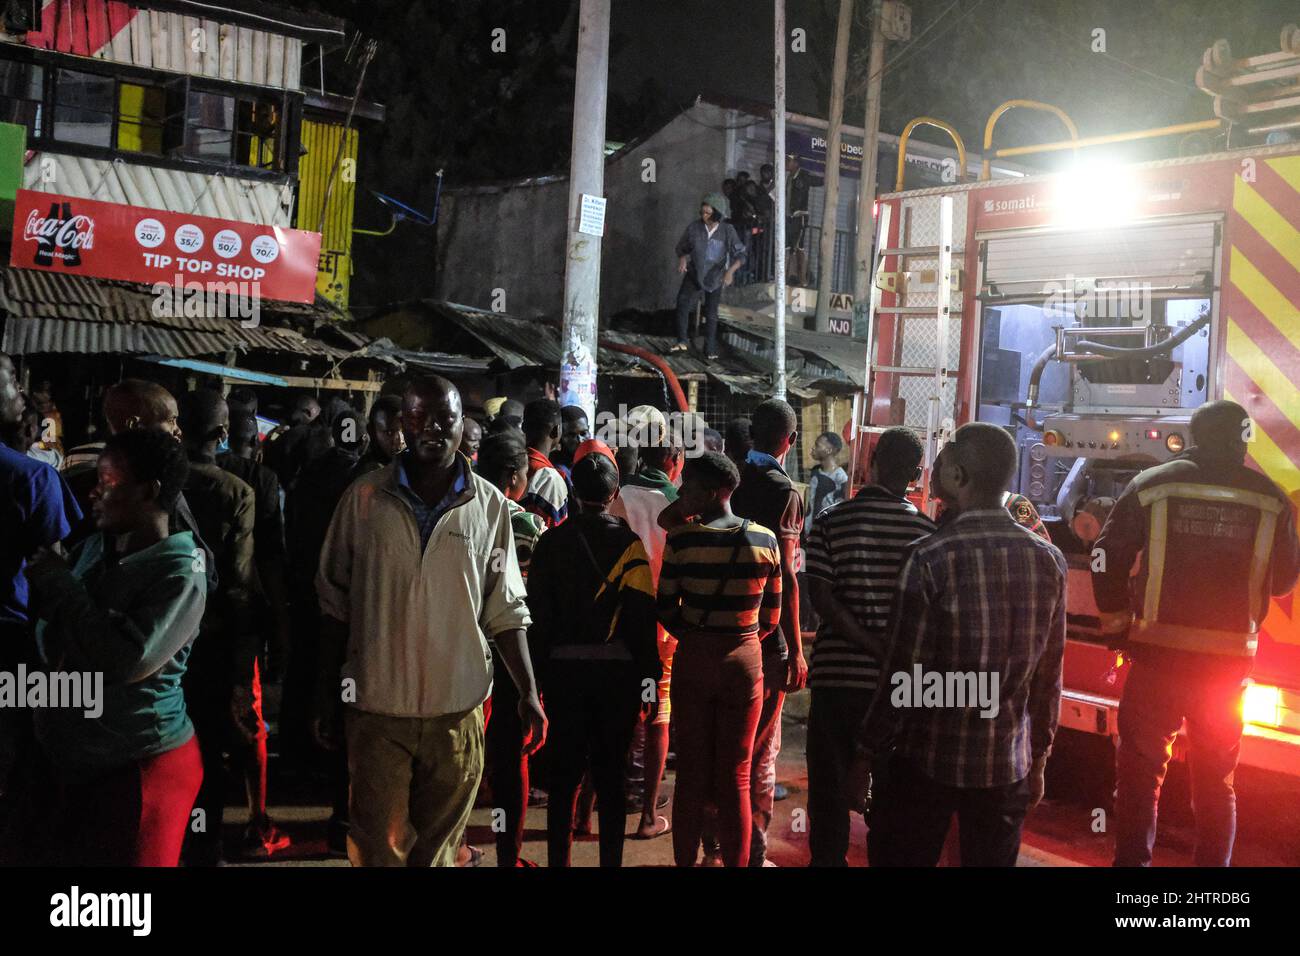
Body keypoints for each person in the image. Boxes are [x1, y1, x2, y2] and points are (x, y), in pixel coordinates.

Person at [314, 375, 546, 867]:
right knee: (378, 850)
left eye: (446, 418)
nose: (433, 428)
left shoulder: (488, 507)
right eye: (420, 417)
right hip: (377, 706)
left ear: (464, 426)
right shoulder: (363, 500)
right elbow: (334, 602)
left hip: (456, 712)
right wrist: (326, 692)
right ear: (403, 424)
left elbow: (505, 608)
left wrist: (528, 691)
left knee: (437, 853)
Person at [1094, 400, 1300, 867]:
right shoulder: (1270, 499)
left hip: (1156, 662)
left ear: (1192, 438)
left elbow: (1106, 555)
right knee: (1217, 784)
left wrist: (1116, 624)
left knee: (1140, 777)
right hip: (1226, 669)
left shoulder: (1152, 485)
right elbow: (1287, 581)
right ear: (1243, 440)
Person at [852, 422, 1067, 867]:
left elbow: (902, 679)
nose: (933, 468)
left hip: (926, 765)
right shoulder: (1049, 561)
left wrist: (867, 752)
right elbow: (1049, 675)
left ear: (960, 477)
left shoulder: (930, 557)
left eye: (943, 461)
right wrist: (1040, 757)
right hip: (1005, 766)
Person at [26, 429, 204, 866]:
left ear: (149, 491)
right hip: (80, 764)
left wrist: (64, 592)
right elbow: (56, 646)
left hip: (140, 765)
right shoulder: (93, 549)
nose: (94, 492)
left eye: (107, 482)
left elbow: (126, 658)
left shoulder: (181, 572)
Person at [802, 427, 935, 867]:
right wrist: (888, 651)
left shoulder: (830, 521)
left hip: (836, 679)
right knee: (892, 798)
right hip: (897, 685)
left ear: (871, 465)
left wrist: (864, 642)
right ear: (916, 474)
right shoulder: (925, 534)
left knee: (828, 794)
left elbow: (820, 598)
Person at [529, 453, 660, 866]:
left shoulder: (550, 543)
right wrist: (649, 680)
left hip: (564, 677)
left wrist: (534, 681)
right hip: (616, 680)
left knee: (564, 777)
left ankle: (558, 861)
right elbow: (641, 621)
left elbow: (538, 618)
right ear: (614, 494)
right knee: (611, 778)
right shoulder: (630, 546)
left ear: (573, 492)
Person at [177, 389, 286, 865]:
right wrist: (249, 663)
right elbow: (241, 584)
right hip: (217, 637)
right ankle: (211, 844)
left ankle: (177, 839)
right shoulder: (237, 490)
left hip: (164, 635)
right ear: (222, 434)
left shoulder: (161, 482)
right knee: (219, 746)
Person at [657, 452, 782, 867]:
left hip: (694, 657)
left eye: (689, 486)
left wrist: (696, 634)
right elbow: (771, 618)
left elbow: (665, 607)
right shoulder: (765, 540)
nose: (681, 493)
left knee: (690, 775)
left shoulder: (682, 539)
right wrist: (740, 635)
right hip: (744, 662)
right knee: (737, 776)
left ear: (711, 492)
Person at [0, 353, 82, 851]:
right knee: (21, 757)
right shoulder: (32, 479)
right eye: (11, 382)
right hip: (13, 640)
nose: (22, 394)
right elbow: (56, 571)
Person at [728, 398, 807, 866]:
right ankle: (753, 850)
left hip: (720, 629)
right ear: (790, 442)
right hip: (765, 636)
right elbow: (790, 576)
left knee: (723, 743)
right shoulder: (785, 492)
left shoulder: (728, 480)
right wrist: (796, 650)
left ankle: (715, 841)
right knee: (760, 749)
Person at [474, 429, 546, 866]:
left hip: (466, 649)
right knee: (510, 762)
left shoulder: (463, 515)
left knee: (460, 761)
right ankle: (508, 854)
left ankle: (454, 847)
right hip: (516, 655)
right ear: (515, 475)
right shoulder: (529, 525)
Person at [219, 415, 290, 686]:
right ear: (253, 440)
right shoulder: (264, 478)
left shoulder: (208, 470)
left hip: (209, 589)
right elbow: (272, 545)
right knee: (246, 675)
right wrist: (279, 607)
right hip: (250, 585)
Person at [672, 192, 746, 359]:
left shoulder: (727, 230)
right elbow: (682, 248)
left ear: (717, 214)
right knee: (682, 303)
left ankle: (710, 348)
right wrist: (683, 259)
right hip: (694, 272)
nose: (703, 216)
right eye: (702, 212)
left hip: (715, 276)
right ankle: (682, 341)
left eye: (708, 213)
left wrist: (730, 271)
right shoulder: (694, 228)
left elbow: (741, 254)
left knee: (711, 313)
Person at [521, 399, 570, 528]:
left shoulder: (514, 462)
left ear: (523, 427)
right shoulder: (549, 478)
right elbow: (554, 535)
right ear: (556, 430)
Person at [806, 431, 849, 532]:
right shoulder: (816, 472)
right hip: (810, 530)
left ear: (829, 450)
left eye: (817, 445)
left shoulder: (840, 478)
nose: (813, 448)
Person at [354, 395, 404, 477]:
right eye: (389, 432)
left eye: (404, 431)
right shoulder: (369, 474)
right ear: (372, 432)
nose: (400, 440)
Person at [551, 405, 591, 479]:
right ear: (559, 436)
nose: (580, 440)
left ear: (589, 430)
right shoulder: (558, 473)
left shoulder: (591, 463)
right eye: (571, 435)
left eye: (583, 433)